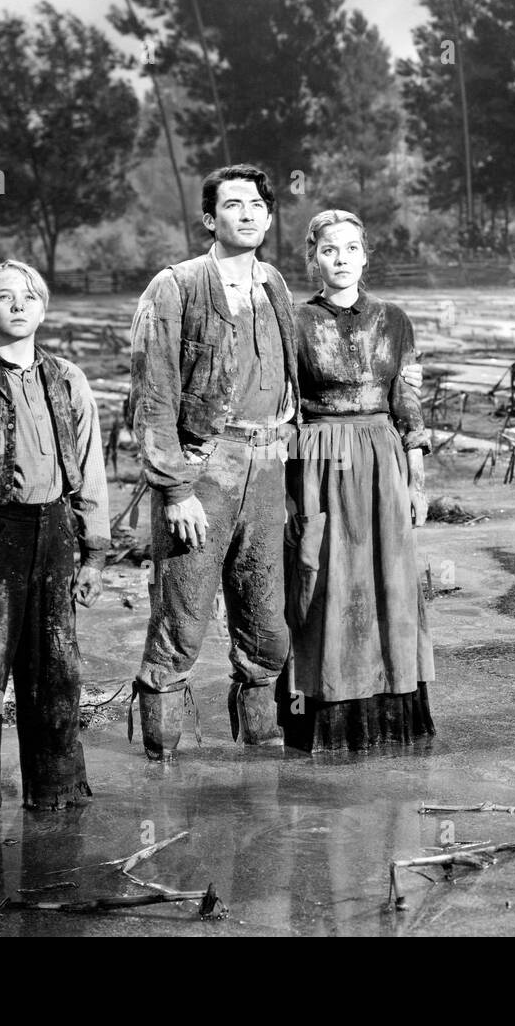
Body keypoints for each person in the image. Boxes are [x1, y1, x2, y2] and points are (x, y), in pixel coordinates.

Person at [127, 165, 299, 759]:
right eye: (233, 204)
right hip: (206, 466)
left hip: (268, 463)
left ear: (270, 216)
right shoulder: (175, 286)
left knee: (268, 625)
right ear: (210, 218)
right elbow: (153, 399)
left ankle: (261, 742)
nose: (248, 213)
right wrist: (176, 491)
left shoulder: (274, 283)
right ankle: (162, 758)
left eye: (257, 204)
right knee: (183, 622)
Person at [0, 260, 110, 818]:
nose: (18, 305)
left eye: (29, 295)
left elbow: (92, 468)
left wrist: (94, 555)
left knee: (56, 670)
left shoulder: (69, 379)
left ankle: (55, 791)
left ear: (43, 307)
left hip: (55, 532)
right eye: (3, 297)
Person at [281, 209, 436, 751]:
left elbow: (407, 401)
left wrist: (416, 479)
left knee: (389, 578)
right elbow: (285, 406)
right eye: (329, 250)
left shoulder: (394, 319)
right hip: (319, 456)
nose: (341, 259)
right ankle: (325, 708)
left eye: (351, 248)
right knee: (324, 577)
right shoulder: (294, 321)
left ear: (366, 255)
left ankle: (391, 706)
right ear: (313, 258)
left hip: (382, 458)